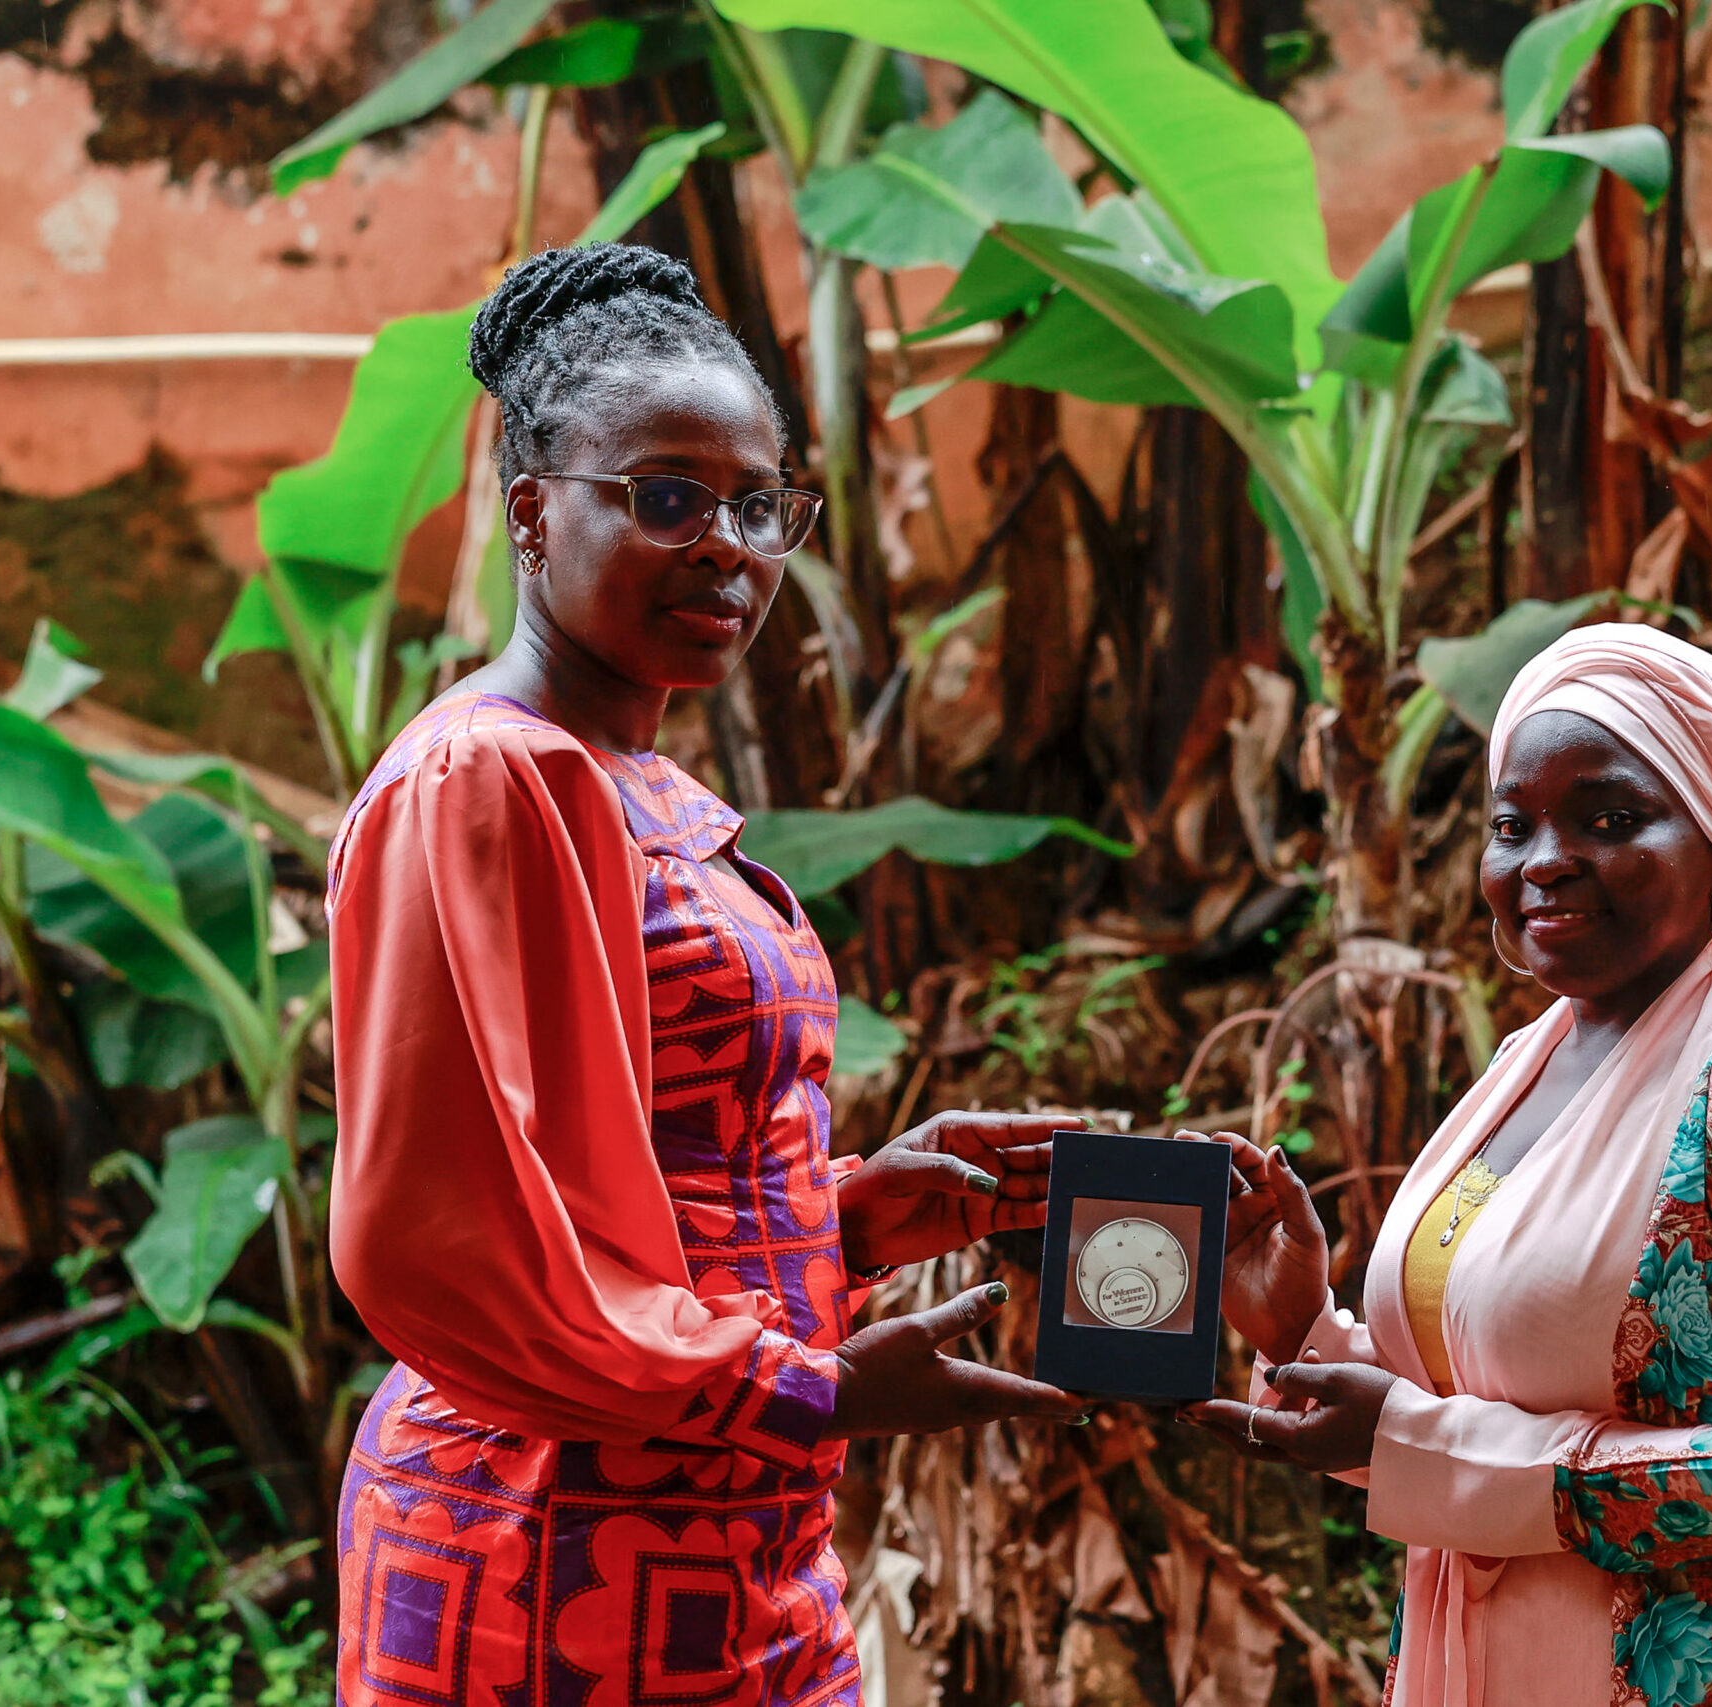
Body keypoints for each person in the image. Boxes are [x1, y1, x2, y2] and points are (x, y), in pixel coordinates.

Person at [324, 243, 1087, 1707]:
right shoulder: (493, 776)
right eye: (667, 497)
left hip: (731, 1533)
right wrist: (818, 1387)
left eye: (758, 503)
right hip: (554, 1535)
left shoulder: (635, 781)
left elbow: (649, 1186)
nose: (729, 544)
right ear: (535, 511)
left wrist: (855, 1208)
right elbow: (447, 1233)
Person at [1181, 625, 1712, 1707]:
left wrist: (1417, 1443)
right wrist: (1302, 1333)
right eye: (1512, 825)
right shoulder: (1525, 1063)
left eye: (1611, 819)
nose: (1544, 860)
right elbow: (1458, 1401)